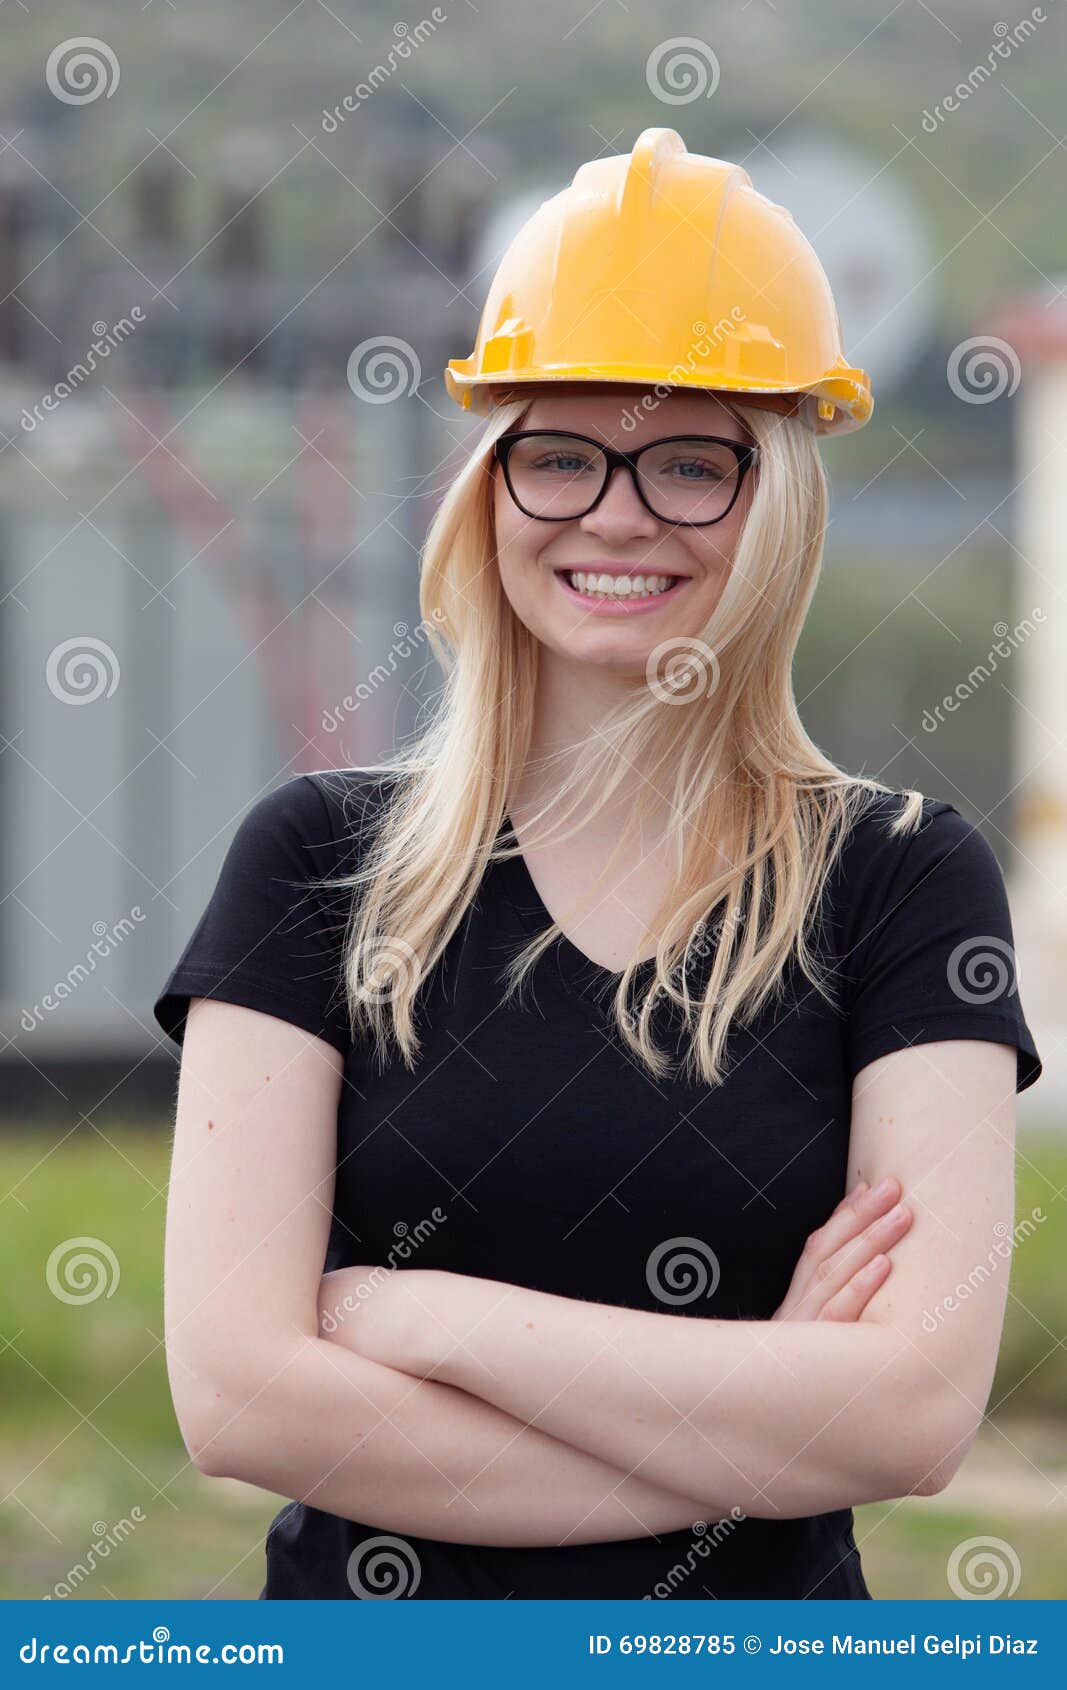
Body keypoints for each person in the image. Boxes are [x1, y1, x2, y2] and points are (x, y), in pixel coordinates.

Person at [154, 129, 1042, 1601]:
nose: (615, 511)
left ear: (780, 503)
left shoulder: (903, 882)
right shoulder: (313, 865)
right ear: (487, 484)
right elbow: (241, 1401)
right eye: (558, 453)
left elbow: (911, 1414)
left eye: (689, 463)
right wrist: (764, 1402)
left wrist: (422, 1317)